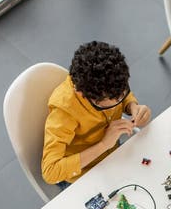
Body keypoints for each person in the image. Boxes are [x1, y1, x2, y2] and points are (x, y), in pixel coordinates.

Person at [41, 40, 151, 188]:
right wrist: (104, 144)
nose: (120, 100)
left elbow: (121, 96)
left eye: (122, 94)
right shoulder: (64, 110)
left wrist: (132, 106)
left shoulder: (110, 82)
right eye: (112, 102)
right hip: (84, 173)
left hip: (113, 155)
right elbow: (50, 171)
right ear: (83, 95)